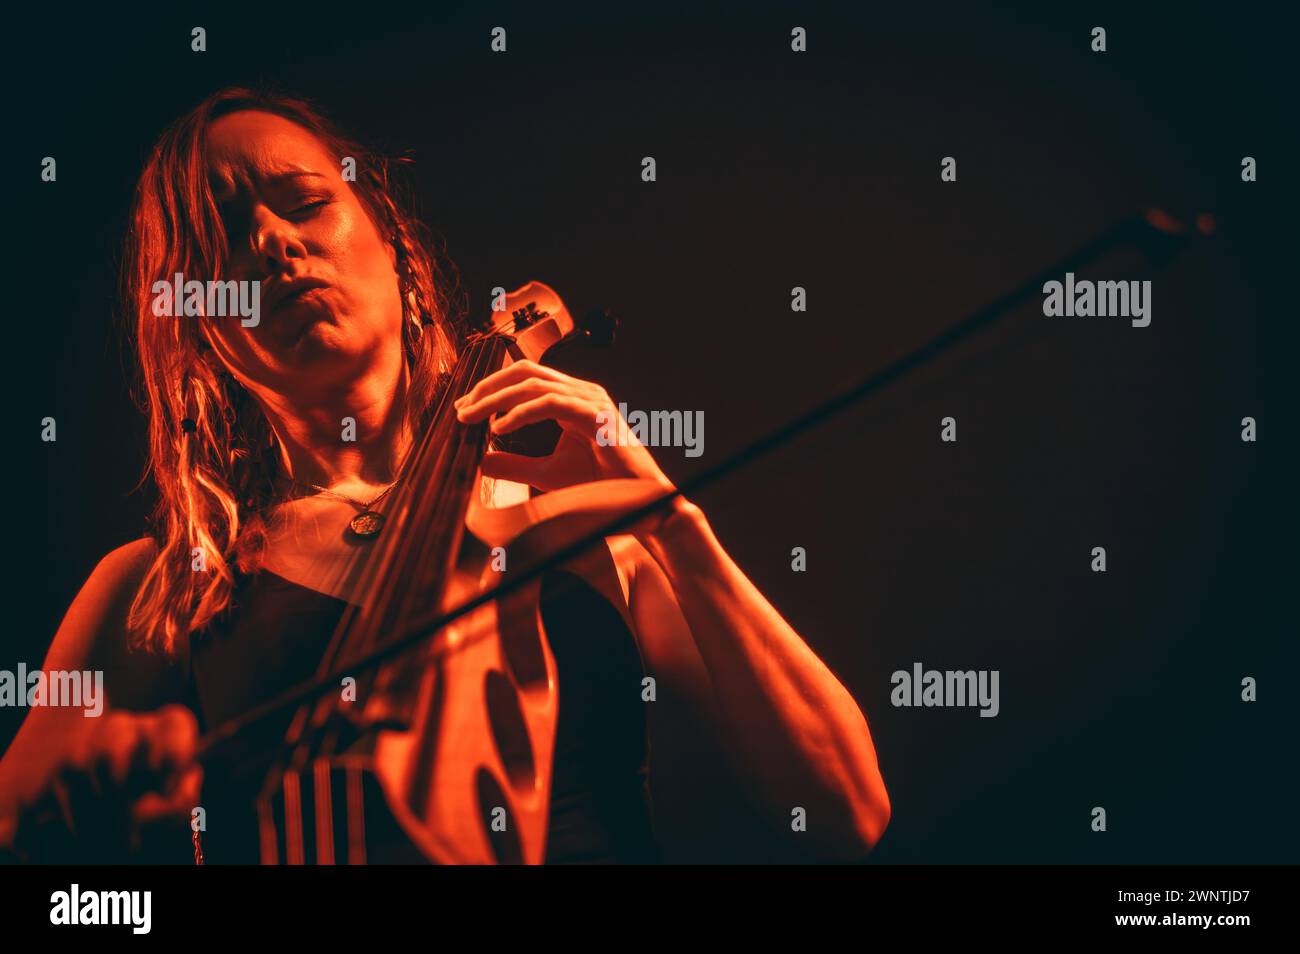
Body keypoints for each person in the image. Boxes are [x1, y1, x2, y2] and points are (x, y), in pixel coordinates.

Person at [0, 88, 889, 864]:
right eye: (224, 235)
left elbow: (845, 811)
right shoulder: (156, 589)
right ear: (199, 325)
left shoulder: (589, 532)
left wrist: (674, 522)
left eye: (303, 202)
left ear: (391, 243)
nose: (270, 239)